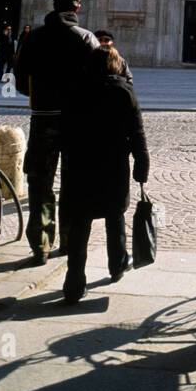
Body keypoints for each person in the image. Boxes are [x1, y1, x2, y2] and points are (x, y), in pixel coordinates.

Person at [14, 0, 100, 263]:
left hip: (44, 117)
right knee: (74, 182)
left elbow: (19, 80)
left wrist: (40, 95)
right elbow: (99, 82)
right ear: (77, 7)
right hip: (78, 121)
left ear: (54, 5)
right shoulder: (87, 39)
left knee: (40, 183)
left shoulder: (34, 38)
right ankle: (70, 241)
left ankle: (41, 245)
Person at [60, 45, 150, 302]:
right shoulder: (124, 91)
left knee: (80, 223)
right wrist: (142, 164)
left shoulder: (76, 89)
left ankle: (74, 282)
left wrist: (67, 155)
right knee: (115, 216)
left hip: (81, 165)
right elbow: (137, 132)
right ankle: (117, 265)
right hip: (113, 164)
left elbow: (64, 128)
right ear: (116, 65)